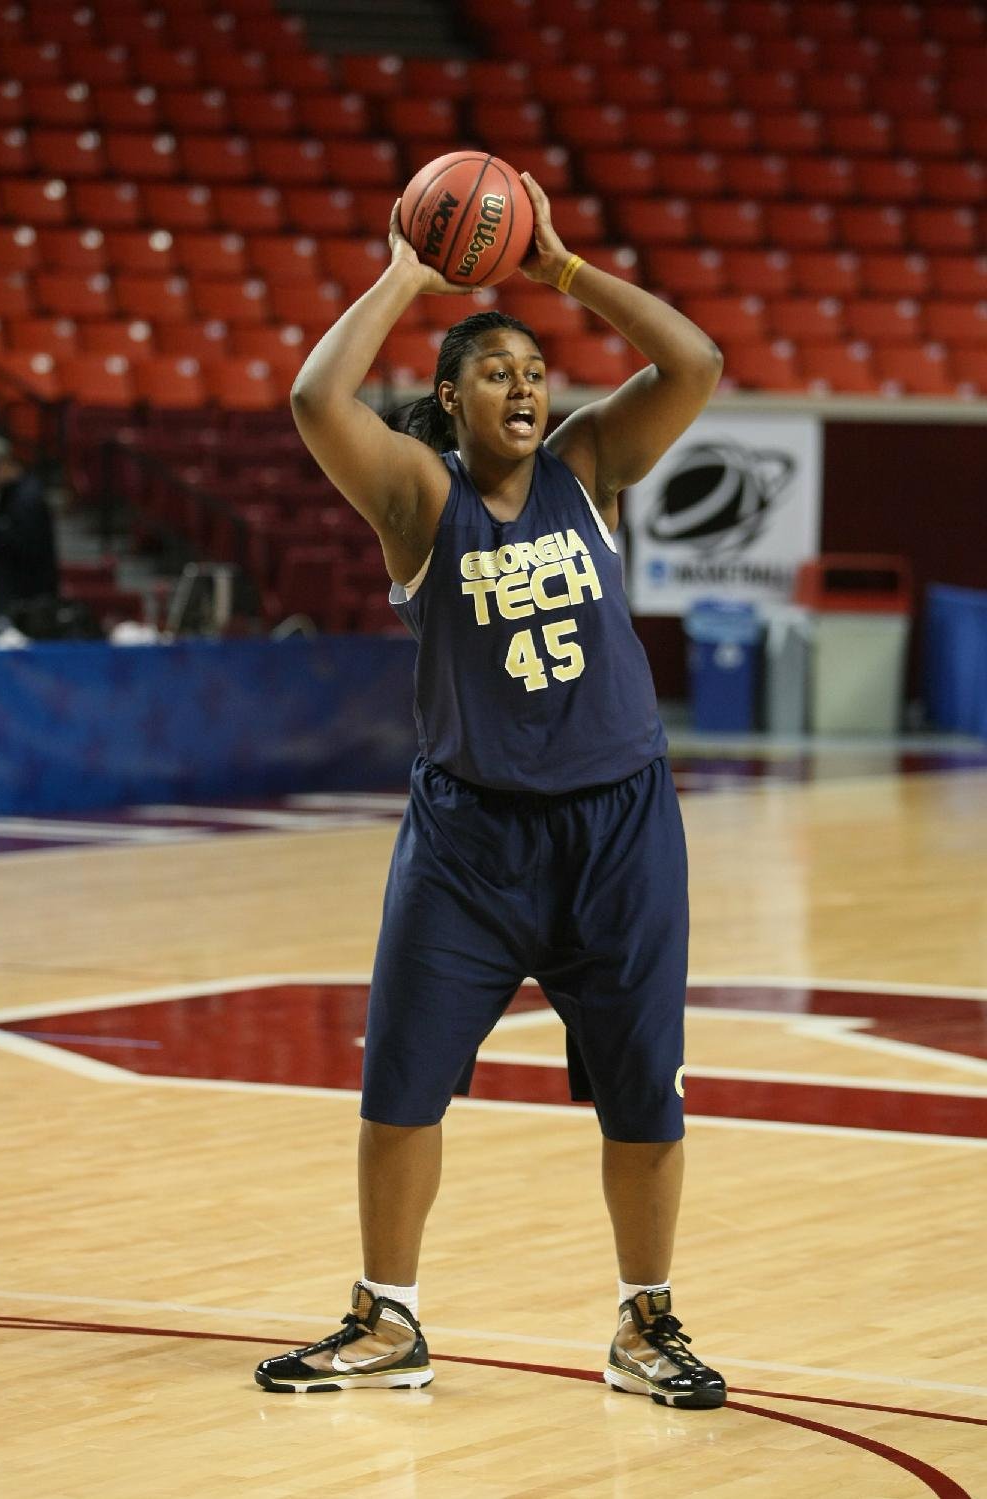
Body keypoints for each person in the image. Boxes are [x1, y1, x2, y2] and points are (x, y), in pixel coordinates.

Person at [255, 175, 726, 1410]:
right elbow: (314, 399)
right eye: (494, 372)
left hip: (620, 827)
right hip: (470, 841)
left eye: (534, 370)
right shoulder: (420, 497)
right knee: (401, 1081)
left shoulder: (590, 468)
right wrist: (406, 275)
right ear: (451, 400)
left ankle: (645, 1321)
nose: (523, 386)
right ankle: (387, 1318)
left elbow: (694, 362)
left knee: (643, 1088)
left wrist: (562, 268)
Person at [0, 435, 59, 630]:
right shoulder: (7, 493)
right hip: (11, 592)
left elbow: (25, 545)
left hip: (28, 597)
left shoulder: (28, 497)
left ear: (3, 465)